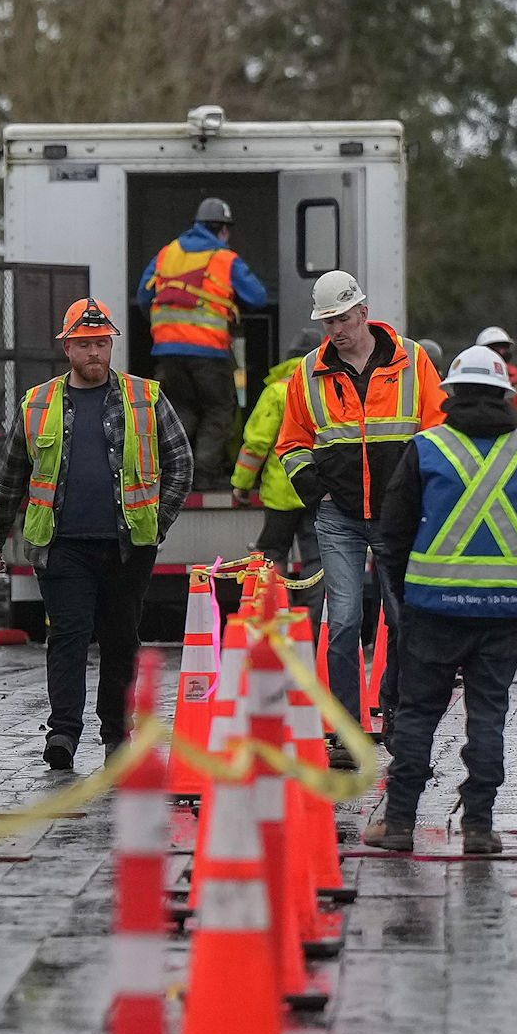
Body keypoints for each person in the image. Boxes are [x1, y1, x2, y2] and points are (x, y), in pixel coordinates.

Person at [364, 346, 517, 855]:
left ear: (452, 394)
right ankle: (479, 827)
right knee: (487, 715)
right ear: (507, 396)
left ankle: (398, 824)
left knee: (417, 714)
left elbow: (391, 535)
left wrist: (407, 590)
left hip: (432, 611)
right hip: (504, 612)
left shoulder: (425, 448)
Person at [13, 298, 187, 775]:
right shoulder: (39, 402)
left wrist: (155, 521)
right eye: (85, 344)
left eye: (102, 344)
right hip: (62, 545)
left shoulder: (144, 397)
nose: (95, 353)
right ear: (68, 348)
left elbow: (180, 463)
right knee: (67, 637)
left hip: (127, 547)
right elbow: (14, 474)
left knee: (120, 640)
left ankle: (116, 736)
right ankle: (63, 734)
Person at [266, 268, 430, 743]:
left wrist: (420, 497)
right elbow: (291, 445)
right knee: (343, 621)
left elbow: (438, 432)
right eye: (327, 321)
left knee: (402, 616)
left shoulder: (413, 361)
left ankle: (397, 715)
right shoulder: (308, 373)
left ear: (363, 312)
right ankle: (343, 729)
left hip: (398, 517)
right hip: (338, 517)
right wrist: (318, 495)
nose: (336, 330)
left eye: (342, 318)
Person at [143, 195, 271, 488]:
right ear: (223, 230)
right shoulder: (226, 259)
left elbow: (143, 295)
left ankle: (171, 476)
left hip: (167, 354)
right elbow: (258, 297)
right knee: (218, 410)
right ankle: (203, 477)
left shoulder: (166, 255)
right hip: (210, 354)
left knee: (179, 412)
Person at [236, 343, 315, 572]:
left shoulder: (277, 391)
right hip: (319, 489)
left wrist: (241, 485)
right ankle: (320, 608)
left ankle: (274, 606)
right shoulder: (328, 387)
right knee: (319, 558)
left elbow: (257, 444)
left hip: (281, 492)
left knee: (271, 556)